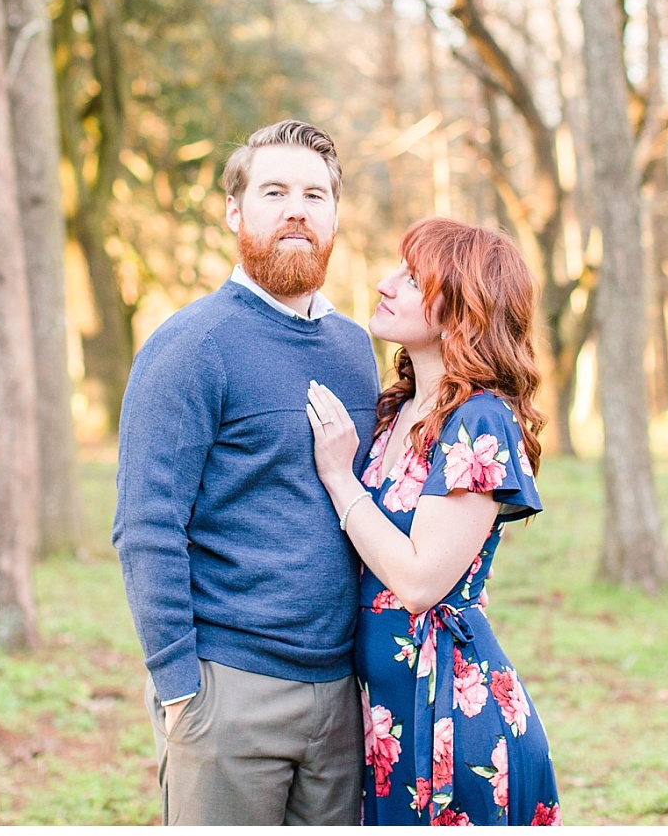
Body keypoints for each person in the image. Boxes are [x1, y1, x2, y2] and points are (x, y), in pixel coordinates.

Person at [112, 120, 379, 825]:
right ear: (235, 211)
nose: (297, 208)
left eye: (315, 193)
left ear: (334, 214)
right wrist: (179, 687)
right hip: (229, 690)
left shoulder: (356, 349)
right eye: (275, 191)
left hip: (344, 694)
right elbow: (146, 526)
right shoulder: (191, 346)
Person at [306, 217, 562, 826]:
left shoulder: (479, 422)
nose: (384, 282)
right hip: (385, 716)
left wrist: (340, 479)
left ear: (462, 308)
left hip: (452, 718)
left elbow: (419, 583)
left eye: (412, 277)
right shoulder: (394, 412)